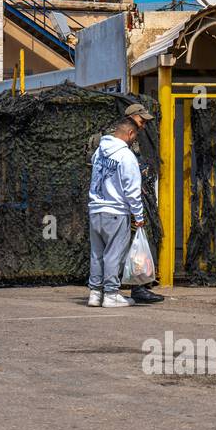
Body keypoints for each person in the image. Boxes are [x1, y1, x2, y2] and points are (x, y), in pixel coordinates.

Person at [87, 115, 145, 307]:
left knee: (97, 253)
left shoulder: (99, 153)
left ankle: (95, 293)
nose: (134, 139)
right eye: (134, 135)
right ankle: (111, 294)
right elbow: (132, 189)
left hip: (95, 208)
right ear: (129, 133)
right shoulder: (126, 156)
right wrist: (139, 215)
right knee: (113, 253)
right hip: (116, 211)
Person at [120, 103, 165, 304]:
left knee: (136, 243)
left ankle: (139, 286)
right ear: (131, 118)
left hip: (134, 197)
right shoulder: (117, 138)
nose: (144, 125)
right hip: (121, 201)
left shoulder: (133, 139)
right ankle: (115, 289)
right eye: (141, 120)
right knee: (121, 245)